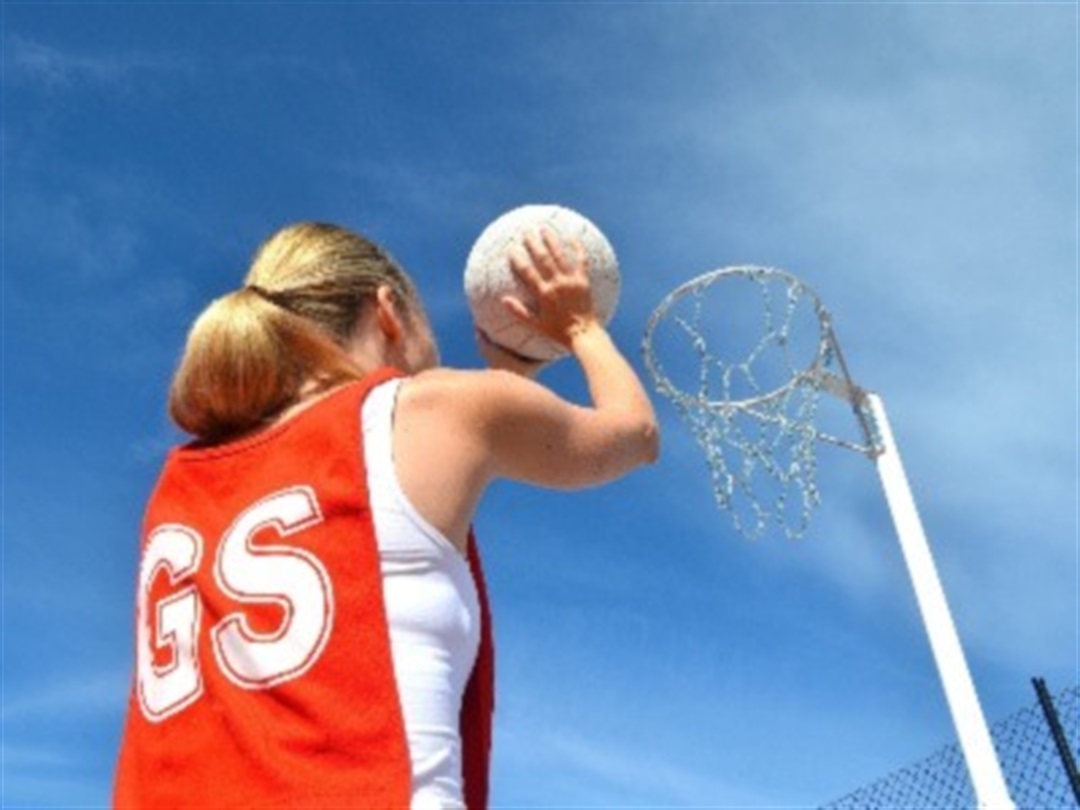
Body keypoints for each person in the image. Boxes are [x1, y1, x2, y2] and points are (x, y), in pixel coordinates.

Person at [113, 221, 659, 809]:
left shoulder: (182, 481)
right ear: (388, 312)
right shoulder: (434, 407)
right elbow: (634, 435)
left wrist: (508, 382)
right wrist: (580, 325)